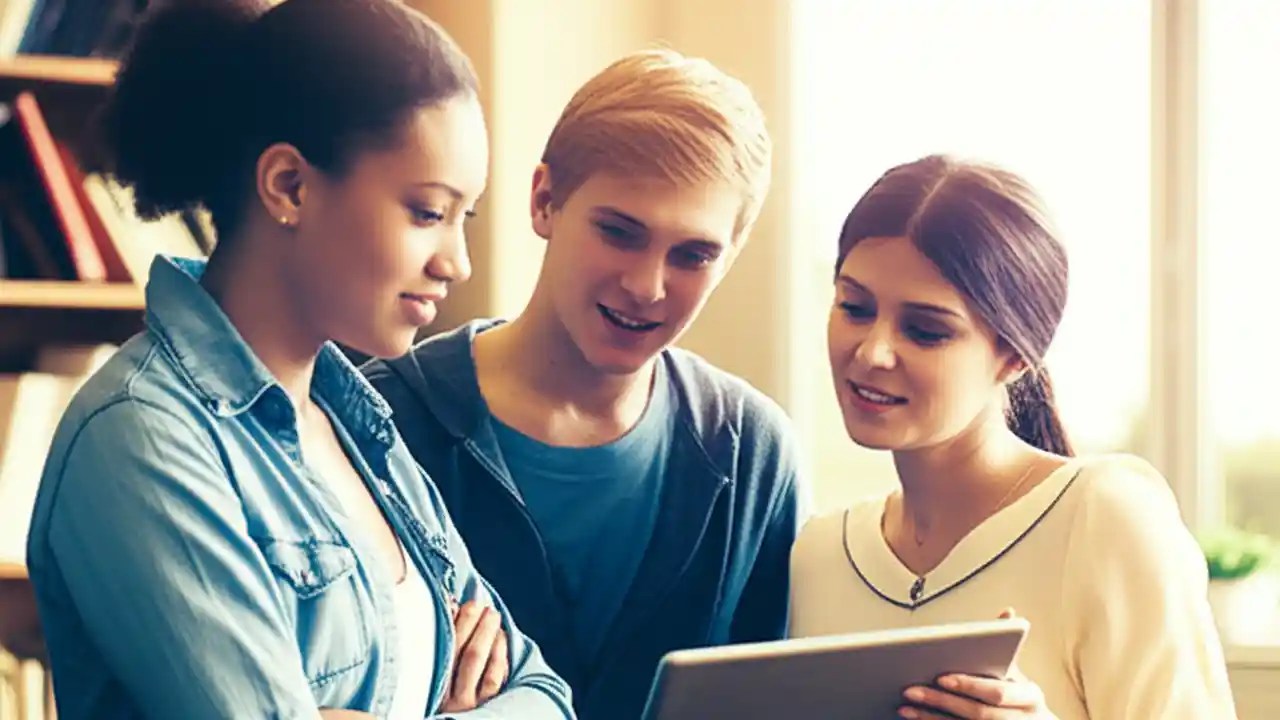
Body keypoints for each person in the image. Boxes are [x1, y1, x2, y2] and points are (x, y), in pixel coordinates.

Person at [24, 1, 574, 718]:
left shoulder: (361, 429)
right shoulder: (140, 439)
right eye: (426, 212)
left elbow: (546, 695)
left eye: (462, 218)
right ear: (289, 185)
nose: (457, 263)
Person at [363, 48, 806, 720]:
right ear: (545, 201)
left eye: (693, 254)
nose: (646, 286)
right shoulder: (375, 420)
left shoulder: (754, 454)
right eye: (620, 233)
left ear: (731, 256)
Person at [787, 154, 1237, 719]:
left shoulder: (1104, 517)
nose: (872, 352)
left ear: (1016, 357)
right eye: (854, 307)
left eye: (926, 331)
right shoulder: (818, 554)